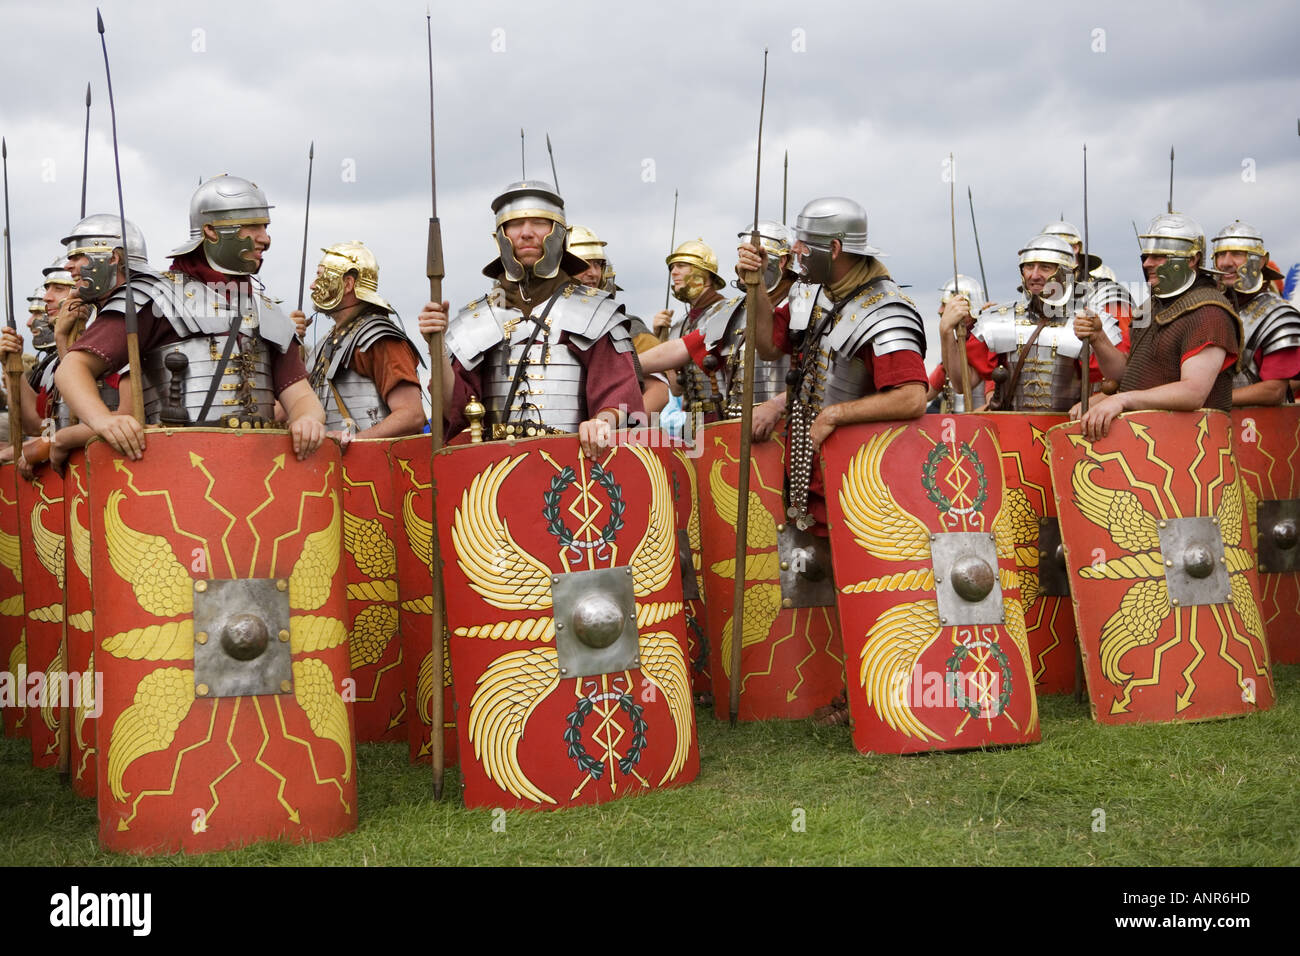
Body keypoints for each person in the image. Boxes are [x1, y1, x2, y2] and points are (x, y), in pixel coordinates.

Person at [56, 176, 326, 461]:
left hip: (256, 471)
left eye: (265, 227)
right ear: (210, 231)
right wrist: (103, 420)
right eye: (252, 227)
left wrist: (307, 419)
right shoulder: (154, 296)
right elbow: (72, 369)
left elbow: (301, 397)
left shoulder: (267, 312)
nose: (265, 239)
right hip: (173, 472)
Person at [417, 180, 642, 458]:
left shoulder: (594, 312)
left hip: (576, 468)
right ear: (500, 235)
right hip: (496, 473)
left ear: (558, 233)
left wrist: (602, 423)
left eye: (538, 222)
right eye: (514, 225)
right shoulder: (476, 319)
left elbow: (621, 394)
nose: (526, 233)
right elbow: (454, 411)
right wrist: (436, 347)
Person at [741, 196, 928, 530]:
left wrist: (834, 415)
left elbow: (911, 397)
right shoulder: (809, 294)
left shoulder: (885, 311)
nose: (796, 250)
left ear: (836, 248)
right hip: (804, 475)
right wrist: (754, 286)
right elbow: (769, 347)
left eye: (805, 244)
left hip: (860, 486)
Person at [1072, 213, 1241, 440]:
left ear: (1191, 259)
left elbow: (1193, 392)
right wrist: (1098, 337)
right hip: (1148, 443)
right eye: (1146, 256)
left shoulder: (1209, 312)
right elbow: (1126, 373)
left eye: (1158, 257)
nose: (1147, 263)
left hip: (1193, 448)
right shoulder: (1152, 306)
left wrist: (1122, 399)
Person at [637, 222, 795, 440]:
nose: (743, 266)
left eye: (754, 256)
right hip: (736, 429)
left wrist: (777, 405)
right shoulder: (734, 311)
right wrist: (627, 363)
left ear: (782, 261)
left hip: (787, 427)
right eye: (742, 257)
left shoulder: (800, 307)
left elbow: (819, 380)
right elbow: (682, 348)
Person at [941, 235, 1127, 412]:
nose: (1034, 275)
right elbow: (961, 383)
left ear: (1068, 273)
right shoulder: (998, 321)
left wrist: (1098, 338)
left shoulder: (1090, 320)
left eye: (1045, 267)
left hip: (1068, 433)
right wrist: (946, 332)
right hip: (1010, 434)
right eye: (1029, 266)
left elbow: (1120, 378)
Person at [292, 241, 425, 439]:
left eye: (321, 276)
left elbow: (412, 415)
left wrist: (356, 439)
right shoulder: (326, 341)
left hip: (375, 465)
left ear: (347, 284)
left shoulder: (379, 339)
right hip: (330, 465)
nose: (313, 285)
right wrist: (290, 344)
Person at [567, 225, 668, 417]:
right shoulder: (548, 323)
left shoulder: (628, 328)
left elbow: (659, 393)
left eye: (597, 265)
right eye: (584, 264)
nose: (594, 273)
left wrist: (619, 429)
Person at [1208, 221, 1300, 406]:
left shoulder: (1278, 317)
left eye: (1237, 254)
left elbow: (1273, 390)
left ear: (1261, 261)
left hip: (1258, 430)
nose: (1226, 262)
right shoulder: (1208, 308)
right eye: (1221, 255)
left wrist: (1205, 401)